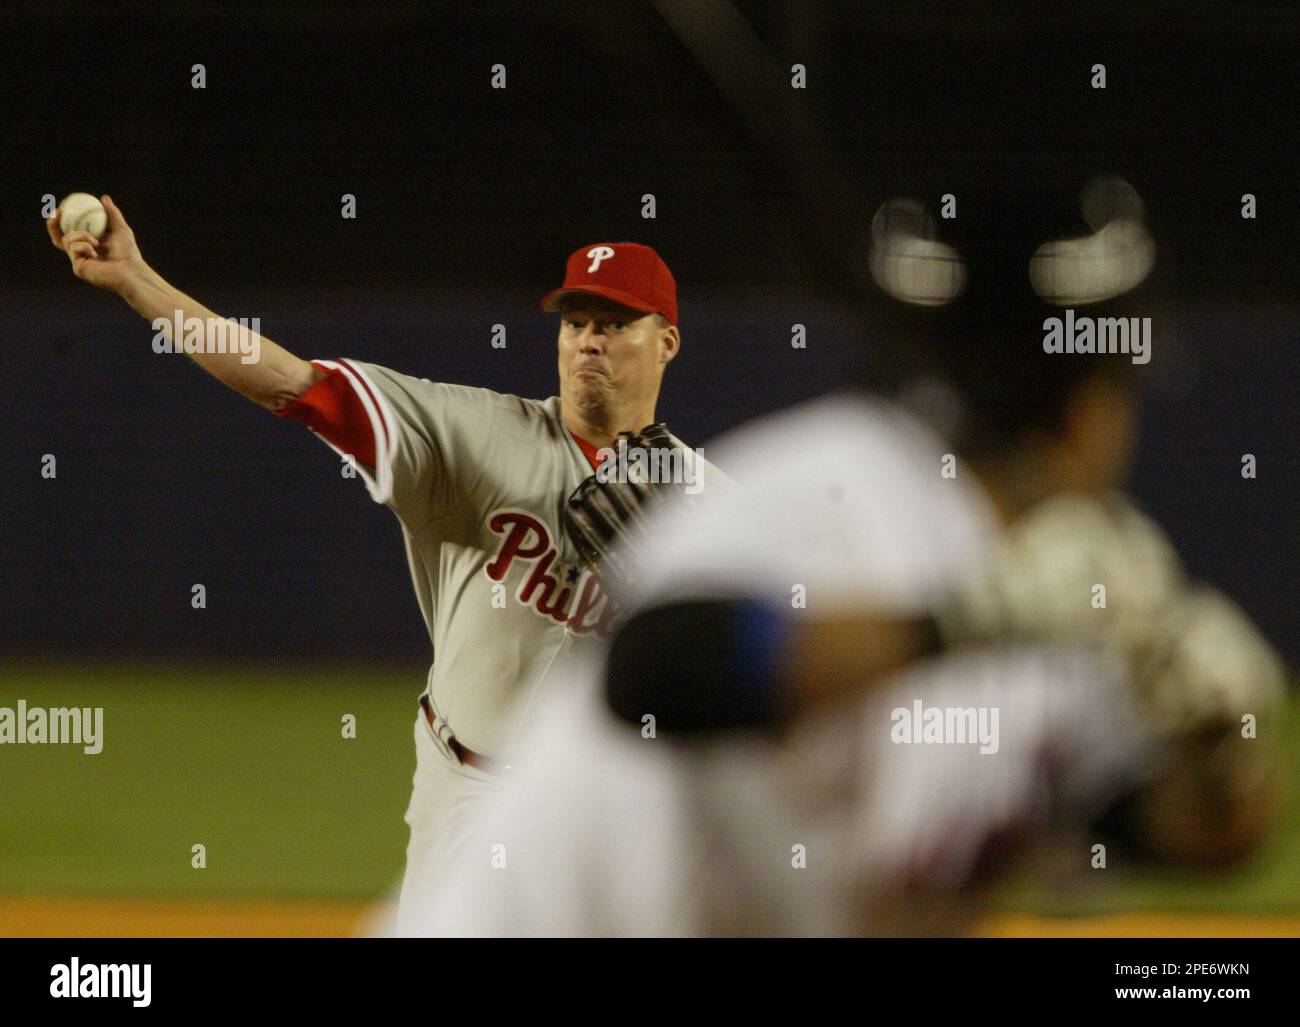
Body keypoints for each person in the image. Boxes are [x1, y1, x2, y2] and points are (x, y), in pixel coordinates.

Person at [409, 180, 1285, 936]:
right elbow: (655, 671)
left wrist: (1217, 750)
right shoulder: (843, 485)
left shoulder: (1088, 578)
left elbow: (1167, 831)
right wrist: (973, 618)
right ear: (1087, 403)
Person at [46, 200, 718, 930]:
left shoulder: (711, 505)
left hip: (606, 806)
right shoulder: (471, 434)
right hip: (470, 787)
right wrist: (138, 281)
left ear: (667, 342)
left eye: (614, 324)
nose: (589, 341)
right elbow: (295, 386)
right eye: (575, 322)